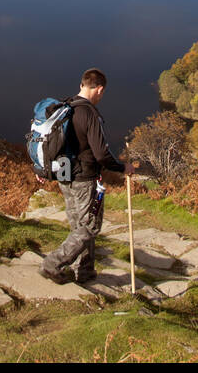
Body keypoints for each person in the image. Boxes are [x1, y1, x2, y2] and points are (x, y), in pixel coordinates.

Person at [41, 68, 135, 285]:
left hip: (65, 177)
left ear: (82, 85)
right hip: (84, 179)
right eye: (103, 92)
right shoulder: (90, 114)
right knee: (89, 226)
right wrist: (122, 168)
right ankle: (53, 263)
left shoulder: (66, 107)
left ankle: (85, 272)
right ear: (100, 89)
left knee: (79, 226)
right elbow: (101, 154)